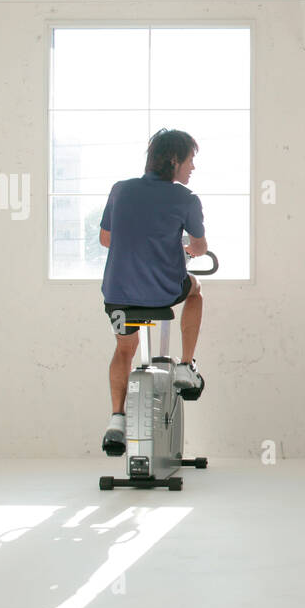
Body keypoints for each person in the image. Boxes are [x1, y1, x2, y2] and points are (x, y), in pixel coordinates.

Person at [98, 129, 207, 454]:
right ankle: (186, 365)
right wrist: (181, 246)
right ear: (174, 160)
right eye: (190, 160)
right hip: (164, 294)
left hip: (118, 295)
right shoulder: (186, 199)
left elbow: (106, 239)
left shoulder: (120, 190)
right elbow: (199, 248)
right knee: (195, 291)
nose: (192, 168)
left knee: (123, 351)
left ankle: (117, 419)